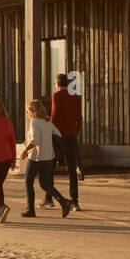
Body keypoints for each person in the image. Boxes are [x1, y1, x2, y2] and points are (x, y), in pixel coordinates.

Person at [20, 100, 72, 218]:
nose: (27, 113)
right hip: (49, 158)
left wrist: (24, 150)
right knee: (45, 184)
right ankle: (64, 202)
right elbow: (58, 134)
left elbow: (35, 140)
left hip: (36, 158)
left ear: (32, 111)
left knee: (28, 182)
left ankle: (30, 209)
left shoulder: (34, 122)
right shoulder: (48, 123)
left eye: (28, 111)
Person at [45, 73, 83, 210]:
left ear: (57, 84)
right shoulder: (76, 97)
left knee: (50, 166)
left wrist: (50, 132)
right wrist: (75, 131)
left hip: (59, 136)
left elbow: (55, 117)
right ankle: (75, 201)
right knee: (72, 169)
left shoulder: (56, 96)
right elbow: (79, 118)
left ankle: (49, 199)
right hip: (72, 136)